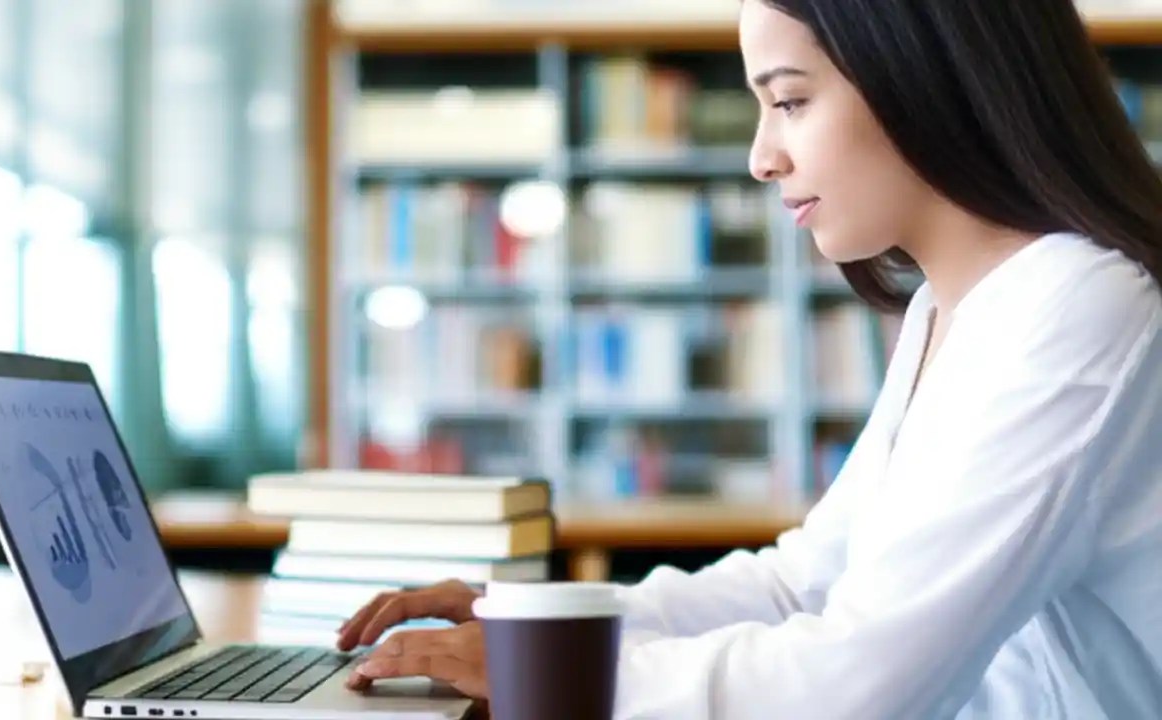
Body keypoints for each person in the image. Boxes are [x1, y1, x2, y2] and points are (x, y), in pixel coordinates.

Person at [336, 1, 1162, 717]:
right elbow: (804, 584)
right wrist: (544, 621)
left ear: (923, 79)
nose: (762, 156)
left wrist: (552, 675)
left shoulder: (1080, 303)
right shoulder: (949, 310)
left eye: (791, 101)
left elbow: (860, 684)